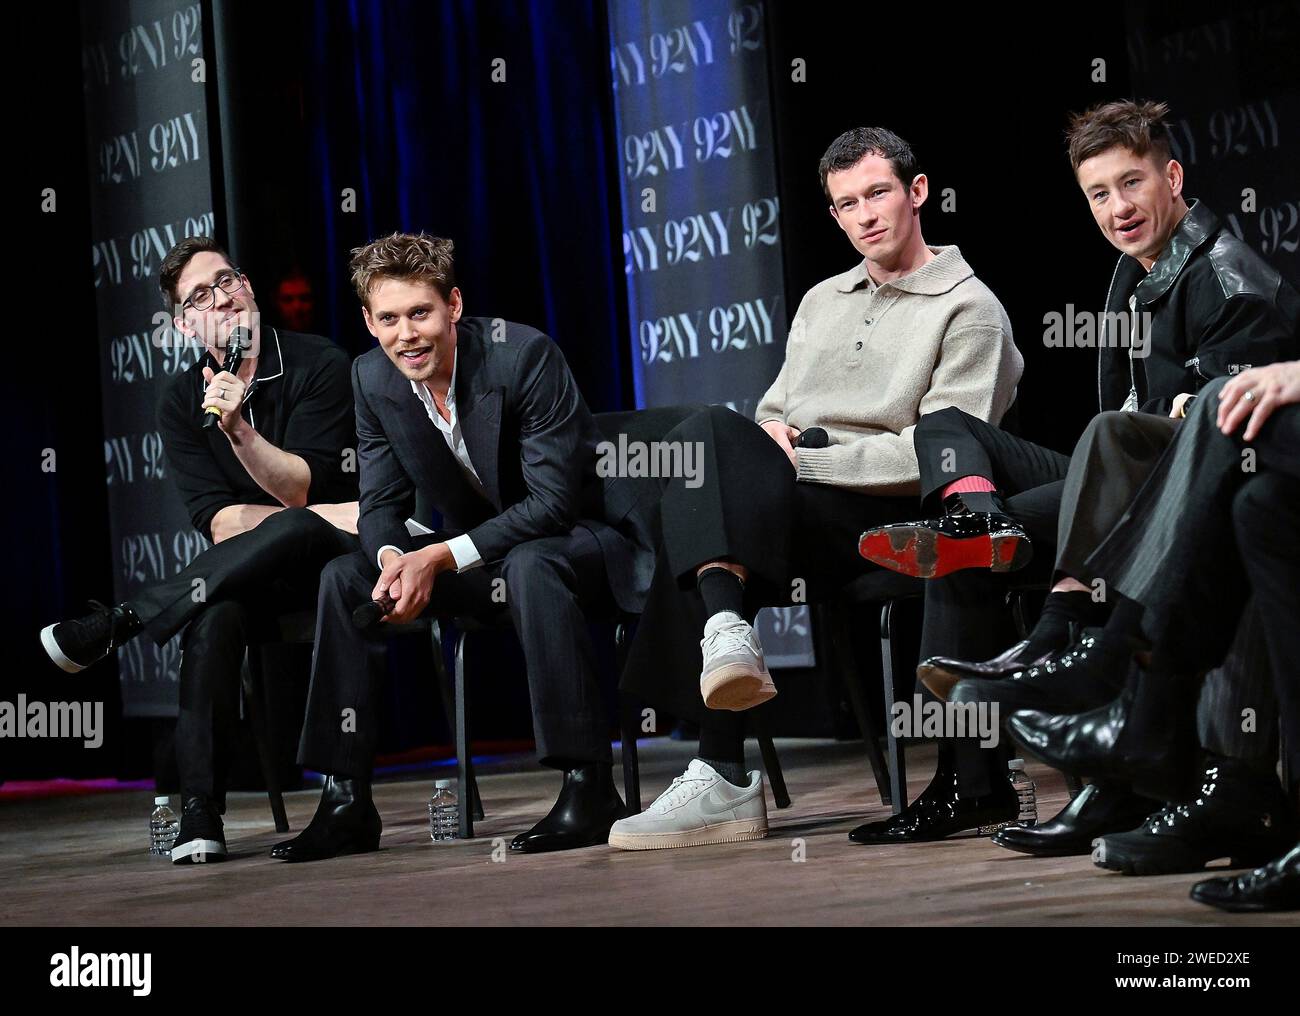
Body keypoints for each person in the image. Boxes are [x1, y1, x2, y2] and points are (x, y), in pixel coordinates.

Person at [858, 100, 1298, 856]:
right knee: (951, 459)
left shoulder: (1227, 278)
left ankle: (1072, 681)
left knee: (1106, 437)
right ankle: (970, 776)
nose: (1118, 209)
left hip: (1163, 485)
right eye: (1099, 193)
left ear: (1173, 176)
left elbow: (1229, 427)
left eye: (1132, 184)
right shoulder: (1133, 271)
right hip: (1115, 474)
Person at [611, 127, 1024, 851]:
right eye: (845, 205)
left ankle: (722, 770)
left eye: (877, 194)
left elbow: (950, 455)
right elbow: (775, 409)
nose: (864, 216)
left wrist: (808, 461)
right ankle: (724, 640)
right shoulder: (821, 301)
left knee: (700, 478)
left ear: (917, 192)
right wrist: (772, 441)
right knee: (700, 450)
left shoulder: (970, 309)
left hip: (893, 522)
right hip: (796, 501)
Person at [271, 232, 660, 861]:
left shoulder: (523, 355)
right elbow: (380, 505)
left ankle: (588, 787)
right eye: (389, 319)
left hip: (583, 541)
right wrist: (394, 560)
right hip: (485, 557)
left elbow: (553, 504)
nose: (407, 335)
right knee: (345, 578)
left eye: (420, 313)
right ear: (369, 323)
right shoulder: (372, 378)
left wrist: (443, 555)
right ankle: (345, 800)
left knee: (534, 562)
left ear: (453, 305)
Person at [40, 236, 361, 863]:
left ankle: (124, 619)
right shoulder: (181, 402)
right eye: (202, 295)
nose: (224, 296)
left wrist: (240, 430)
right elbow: (221, 526)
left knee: (294, 529)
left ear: (247, 285)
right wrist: (289, 515)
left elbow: (303, 493)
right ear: (186, 324)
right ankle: (200, 812)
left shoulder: (318, 363)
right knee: (213, 613)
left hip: (342, 561)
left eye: (229, 279)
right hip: (247, 570)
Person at [1007, 362, 1299, 881]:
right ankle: (1234, 787)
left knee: (1220, 407)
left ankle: (1130, 692)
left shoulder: (1229, 281)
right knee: (1258, 505)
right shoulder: (1132, 287)